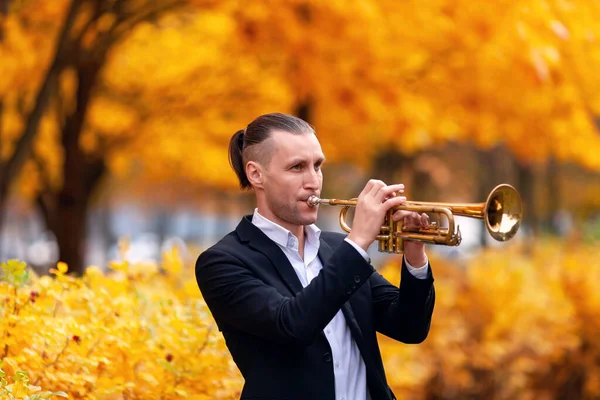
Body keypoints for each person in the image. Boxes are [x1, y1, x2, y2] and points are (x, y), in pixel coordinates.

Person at [195, 113, 435, 400]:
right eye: (297, 167)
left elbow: (410, 327)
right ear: (256, 174)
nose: (313, 182)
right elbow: (292, 325)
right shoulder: (222, 262)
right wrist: (358, 241)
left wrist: (414, 253)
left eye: (317, 166)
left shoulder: (337, 248)